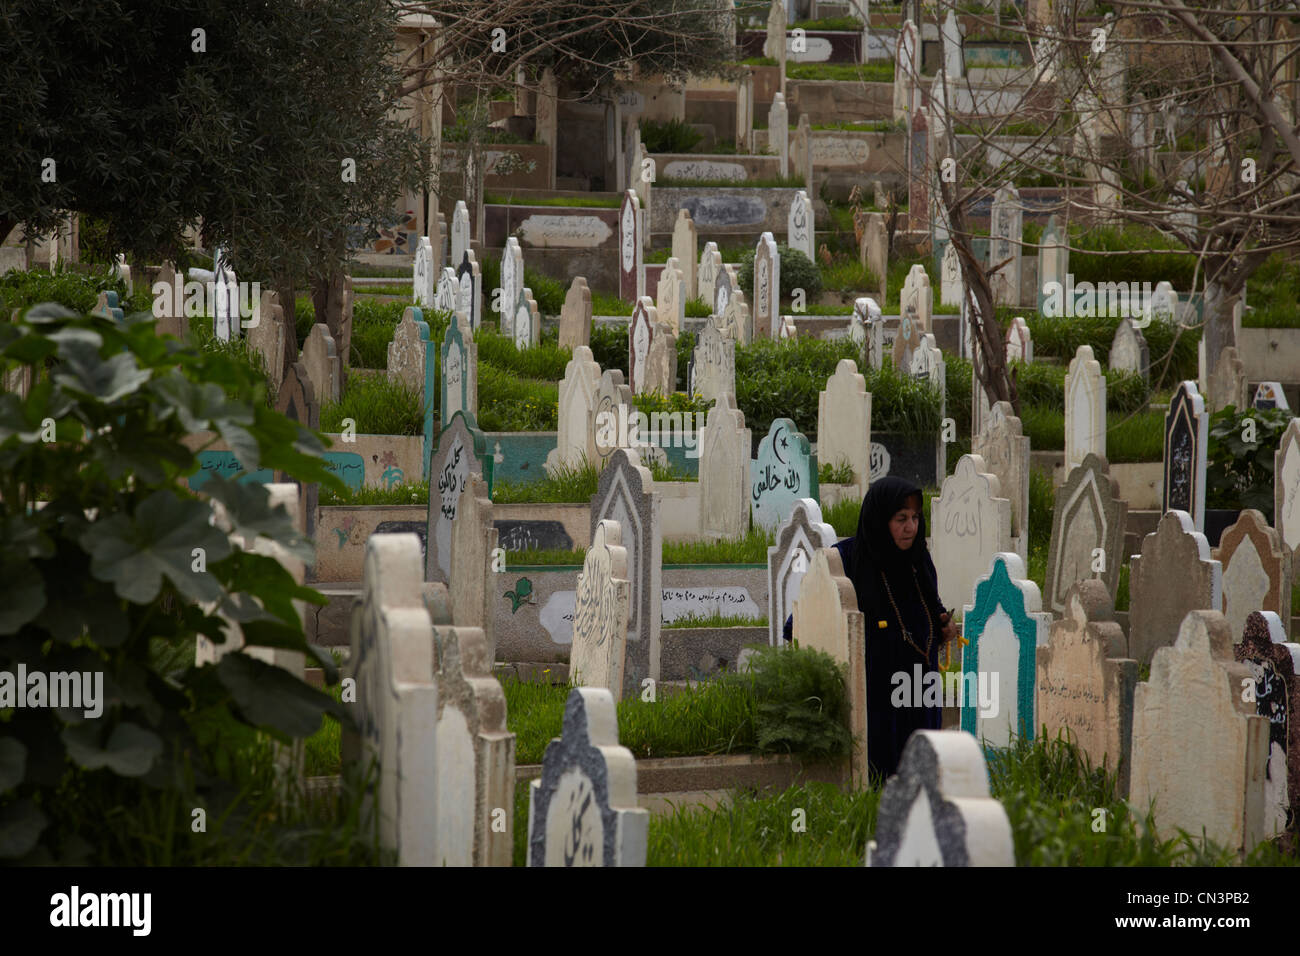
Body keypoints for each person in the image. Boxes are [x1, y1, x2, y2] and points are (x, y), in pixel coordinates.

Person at [782, 476, 958, 780]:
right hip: (875, 702)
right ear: (880, 518)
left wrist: (943, 628)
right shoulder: (846, 560)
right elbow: (801, 623)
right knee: (880, 780)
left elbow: (930, 612)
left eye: (916, 518)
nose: (911, 527)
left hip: (919, 692)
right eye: (901, 518)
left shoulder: (918, 561)